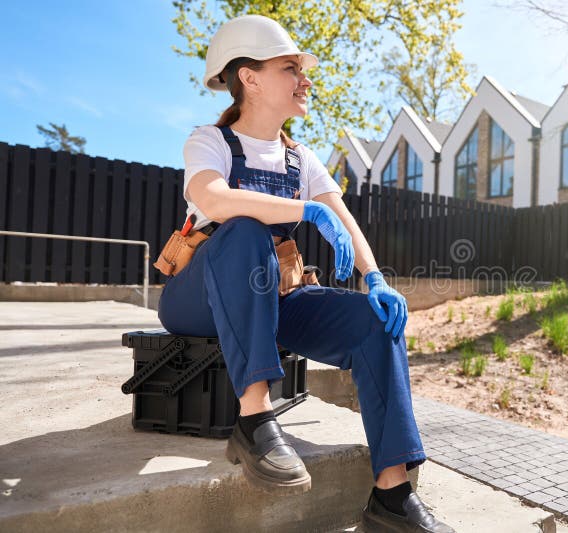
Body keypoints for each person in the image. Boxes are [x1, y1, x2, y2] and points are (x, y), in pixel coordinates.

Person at [157, 14, 455, 533]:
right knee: (246, 228)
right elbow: (212, 197)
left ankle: (390, 495)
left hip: (269, 298)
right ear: (248, 77)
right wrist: (299, 211)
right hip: (198, 298)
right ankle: (254, 419)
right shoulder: (210, 141)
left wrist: (375, 279)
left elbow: (346, 220)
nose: (305, 78)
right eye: (291, 67)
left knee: (373, 321)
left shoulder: (302, 160)